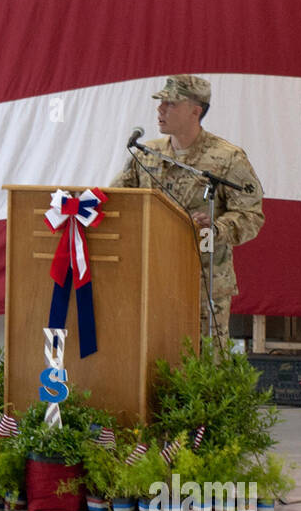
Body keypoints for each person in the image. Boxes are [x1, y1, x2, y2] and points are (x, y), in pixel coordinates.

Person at [110, 75, 264, 349]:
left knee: (205, 361)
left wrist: (216, 228)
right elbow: (116, 200)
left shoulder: (227, 158)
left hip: (204, 281)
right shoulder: (147, 154)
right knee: (153, 356)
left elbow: (251, 215)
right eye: (160, 102)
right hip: (152, 277)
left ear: (196, 110)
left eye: (170, 103)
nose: (160, 109)